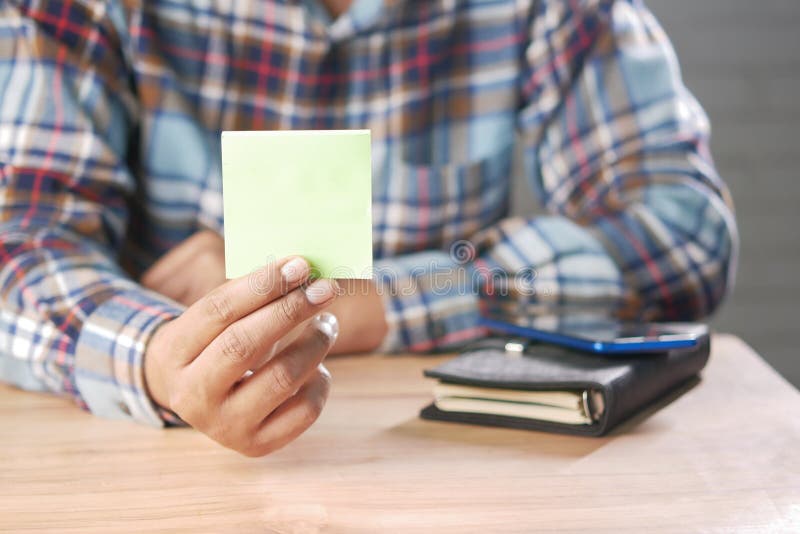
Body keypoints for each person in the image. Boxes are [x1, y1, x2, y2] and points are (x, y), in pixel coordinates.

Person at [0, 0, 737, 456]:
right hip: (153, 460)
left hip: (441, 458)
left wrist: (379, 299)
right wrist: (160, 356)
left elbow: (684, 230)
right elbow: (20, 239)